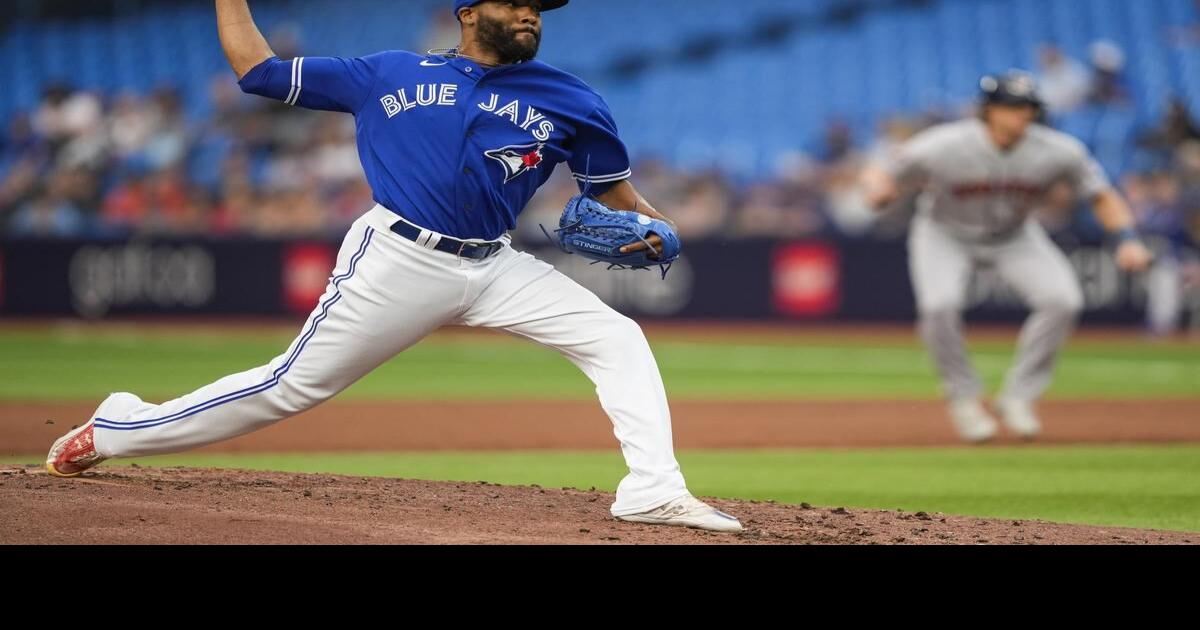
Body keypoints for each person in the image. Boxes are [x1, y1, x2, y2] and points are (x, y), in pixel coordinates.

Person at [46, 0, 743, 533]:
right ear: (468, 13)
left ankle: (652, 488)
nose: (530, 13)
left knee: (616, 337)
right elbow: (257, 71)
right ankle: (116, 430)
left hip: (497, 265)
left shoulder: (571, 98)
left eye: (538, 6)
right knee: (290, 387)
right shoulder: (387, 72)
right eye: (515, 2)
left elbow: (614, 195)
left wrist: (659, 228)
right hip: (399, 258)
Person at [860, 72, 1153, 442]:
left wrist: (1127, 238)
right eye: (1012, 106)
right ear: (988, 110)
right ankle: (963, 397)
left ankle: (1019, 396)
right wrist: (877, 189)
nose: (1022, 113)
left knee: (1062, 300)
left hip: (1014, 235)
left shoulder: (1059, 150)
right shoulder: (945, 143)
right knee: (939, 305)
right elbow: (881, 170)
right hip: (944, 234)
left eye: (1029, 106)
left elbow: (1101, 194)